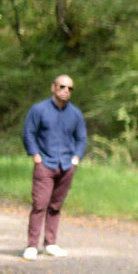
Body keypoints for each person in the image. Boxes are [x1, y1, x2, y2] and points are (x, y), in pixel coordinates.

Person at [21, 75, 87, 260]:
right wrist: (35, 155)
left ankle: (51, 243)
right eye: (62, 87)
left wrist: (76, 158)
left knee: (56, 206)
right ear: (53, 87)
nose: (66, 91)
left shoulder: (75, 114)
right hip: (45, 165)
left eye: (70, 88)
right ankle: (32, 246)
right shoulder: (39, 109)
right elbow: (29, 133)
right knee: (39, 205)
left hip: (66, 165)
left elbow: (81, 137)